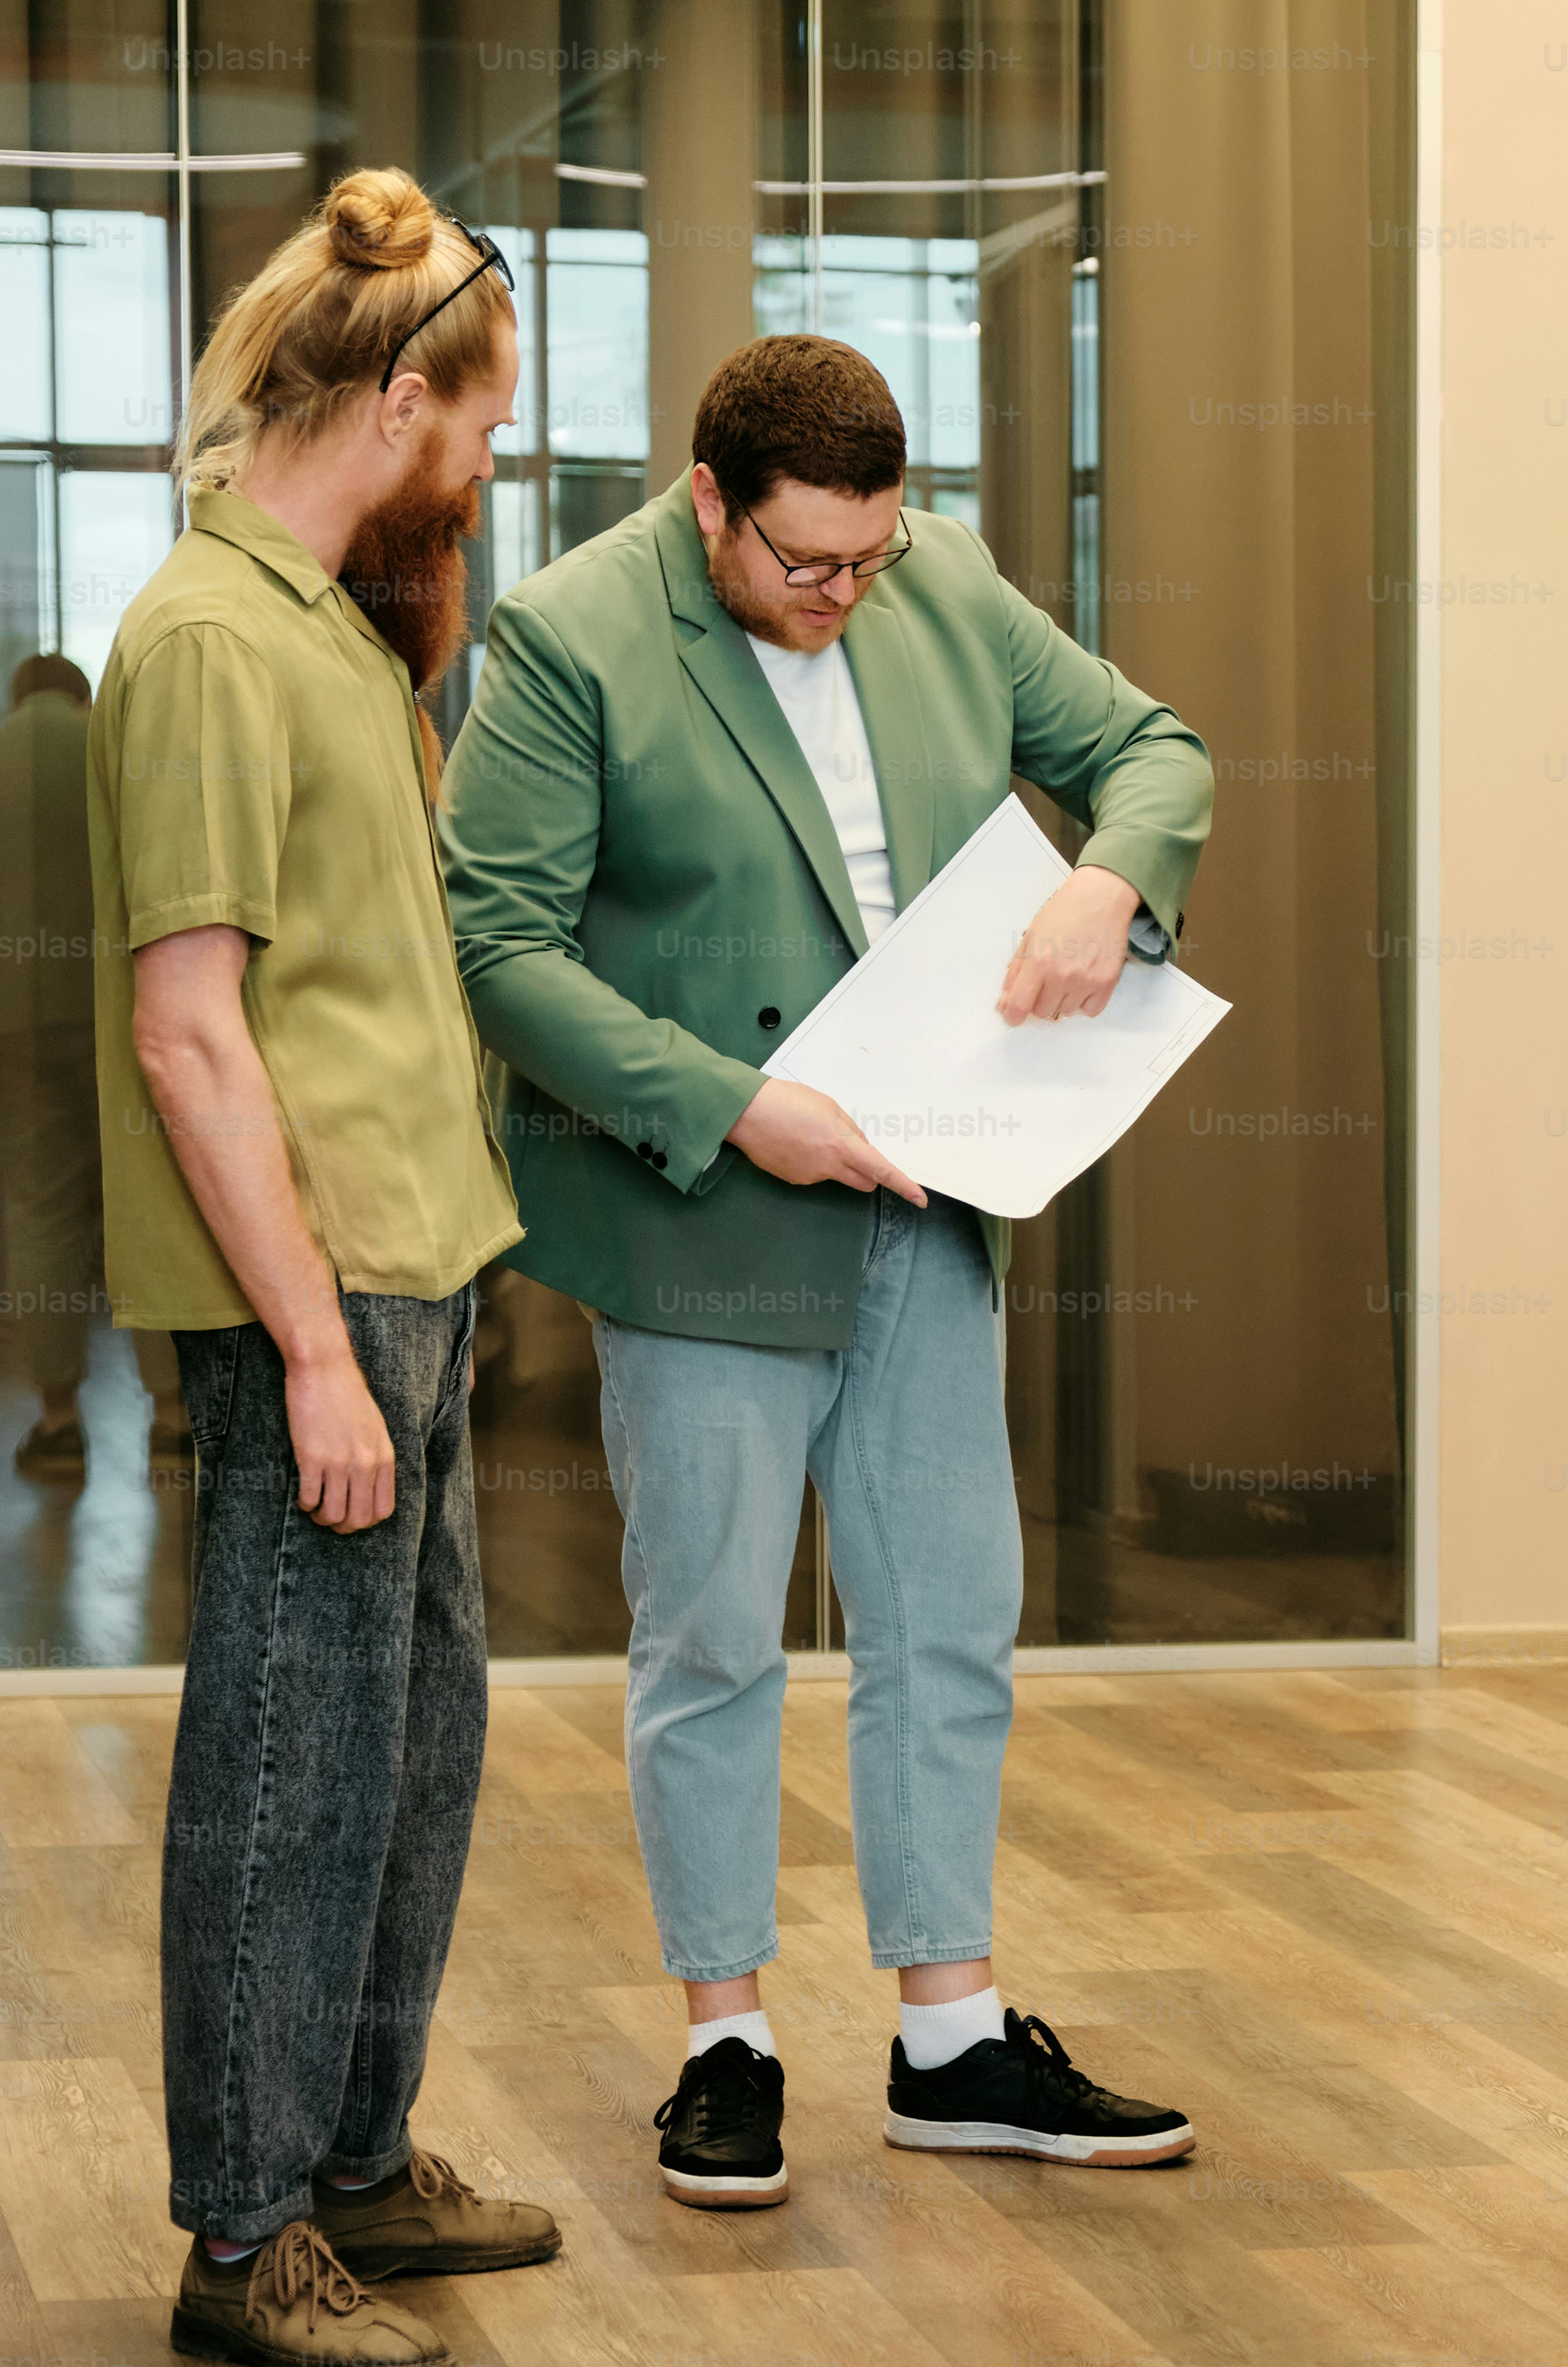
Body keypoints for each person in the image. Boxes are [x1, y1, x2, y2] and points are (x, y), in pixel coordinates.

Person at [439, 333, 1215, 2212]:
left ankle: (951, 2037)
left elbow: (1151, 749)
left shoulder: (931, 576)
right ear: (710, 499)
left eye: (867, 561)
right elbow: (498, 943)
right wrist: (731, 1108)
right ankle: (726, 2041)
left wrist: (1111, 881)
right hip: (709, 1209)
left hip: (932, 1198)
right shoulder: (568, 640)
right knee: (711, 1639)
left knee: (948, 1618)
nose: (843, 595)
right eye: (805, 566)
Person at [91, 167, 563, 2367]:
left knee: (415, 1743)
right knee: (289, 1760)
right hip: (326, 1288)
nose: (487, 462)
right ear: (396, 397)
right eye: (477, 423)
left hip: (421, 1259)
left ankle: (358, 2160)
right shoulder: (202, 638)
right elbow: (193, 1032)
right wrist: (311, 1356)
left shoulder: (326, 625)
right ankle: (242, 2238)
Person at [0, 652, 189, 1478]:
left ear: (15, 698)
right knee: (145, 1204)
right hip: (124, 1009)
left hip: (12, 1020)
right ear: (82, 697)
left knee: (38, 1211)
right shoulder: (122, 748)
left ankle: (59, 1418)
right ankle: (172, 1414)